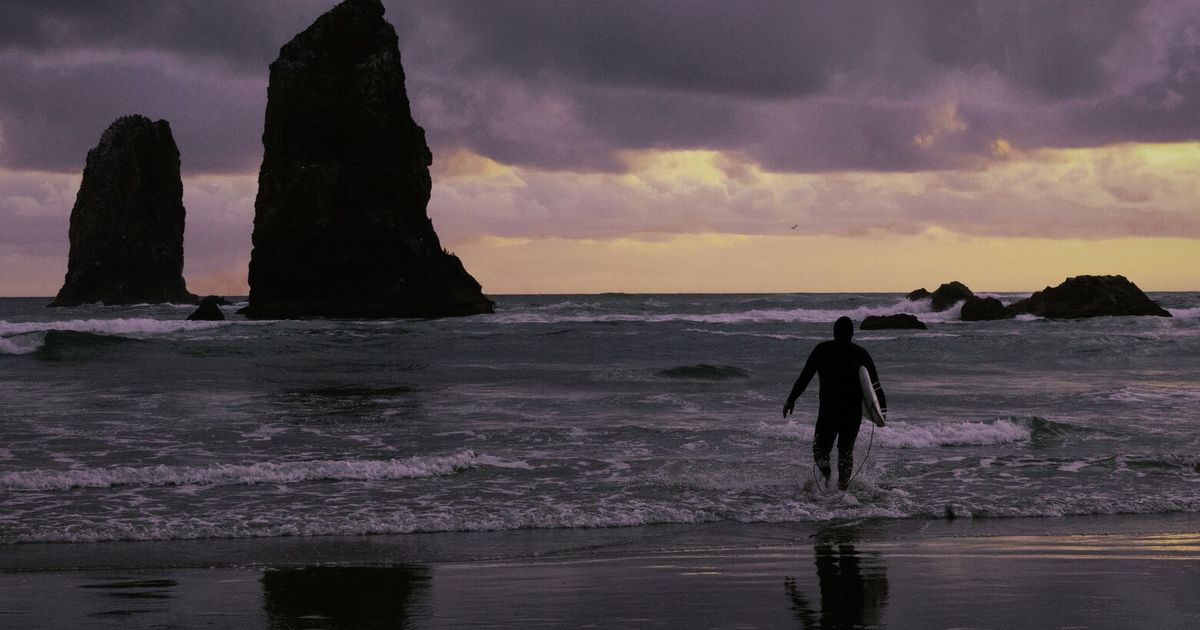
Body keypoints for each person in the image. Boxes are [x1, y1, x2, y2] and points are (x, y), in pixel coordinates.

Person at [782, 316, 886, 491]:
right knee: (846, 453)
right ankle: (842, 489)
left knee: (819, 451)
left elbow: (805, 377)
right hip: (852, 414)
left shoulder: (822, 350)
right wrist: (881, 413)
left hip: (828, 412)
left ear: (834, 332)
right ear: (852, 334)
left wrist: (791, 399)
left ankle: (827, 475)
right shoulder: (861, 354)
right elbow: (875, 386)